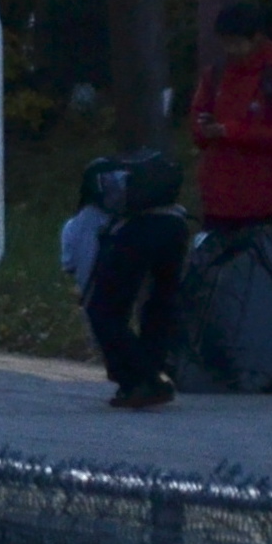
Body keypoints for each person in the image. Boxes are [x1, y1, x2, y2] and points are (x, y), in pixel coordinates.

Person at [66, 152, 189, 410]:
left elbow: (83, 266)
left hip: (137, 235)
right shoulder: (163, 202)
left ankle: (141, 380)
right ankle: (151, 374)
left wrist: (89, 298)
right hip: (176, 228)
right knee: (158, 306)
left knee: (104, 312)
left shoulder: (89, 217)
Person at [191, 2, 272, 230]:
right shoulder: (215, 75)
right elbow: (197, 120)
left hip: (267, 203)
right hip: (220, 201)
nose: (230, 50)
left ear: (256, 38)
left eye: (236, 43)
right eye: (226, 43)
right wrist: (205, 129)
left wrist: (232, 131)